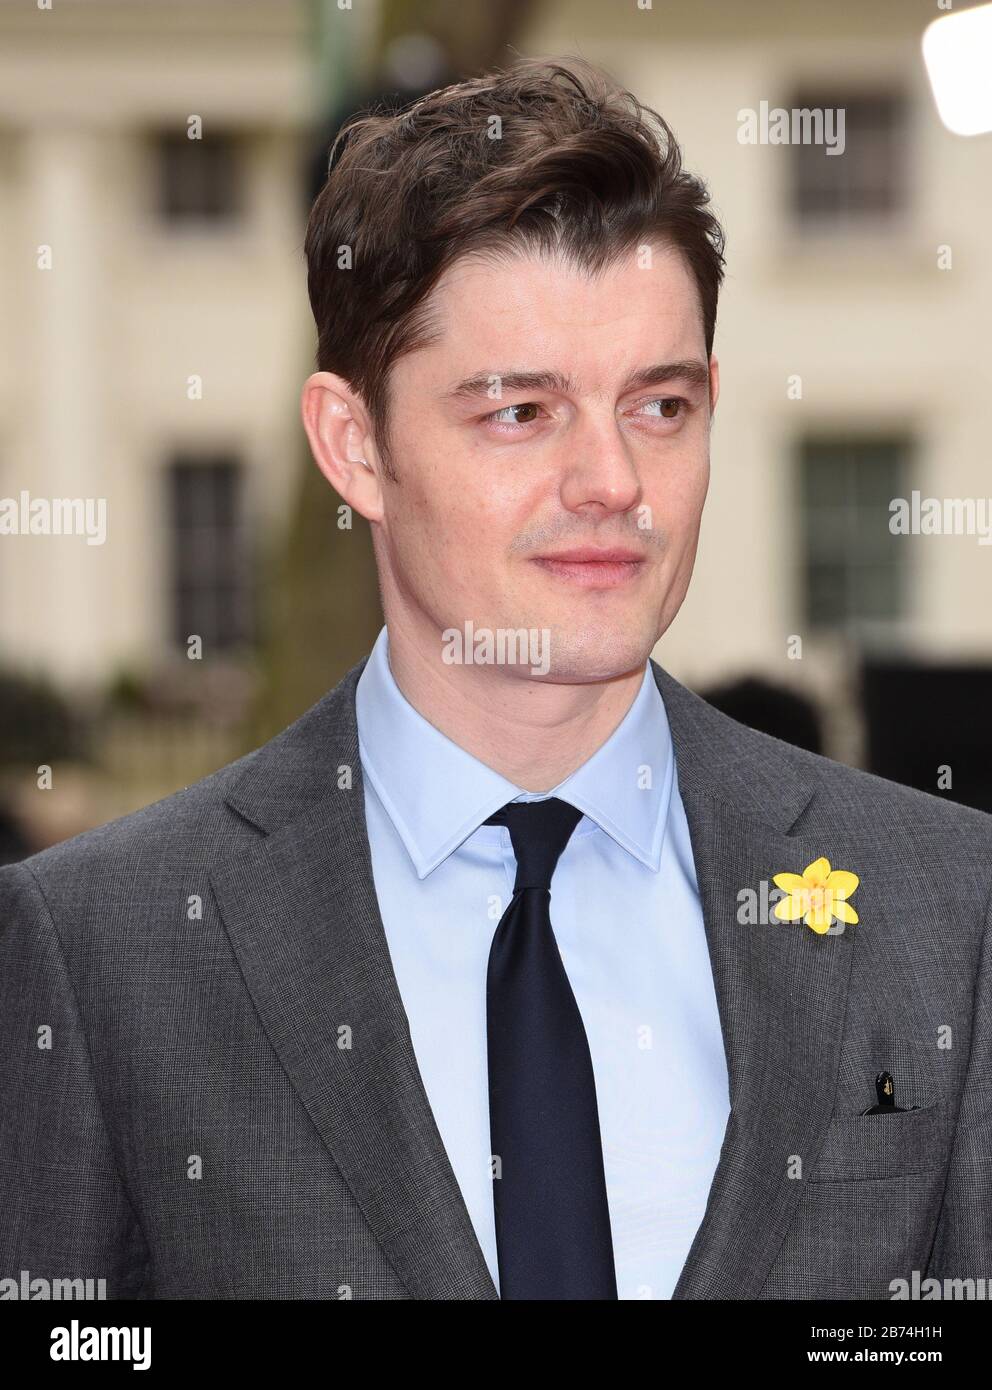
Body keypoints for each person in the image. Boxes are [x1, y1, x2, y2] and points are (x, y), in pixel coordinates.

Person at [2, 57, 989, 1302]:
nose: (613, 484)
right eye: (522, 412)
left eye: (660, 405)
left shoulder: (946, 910)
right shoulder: (103, 950)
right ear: (352, 447)